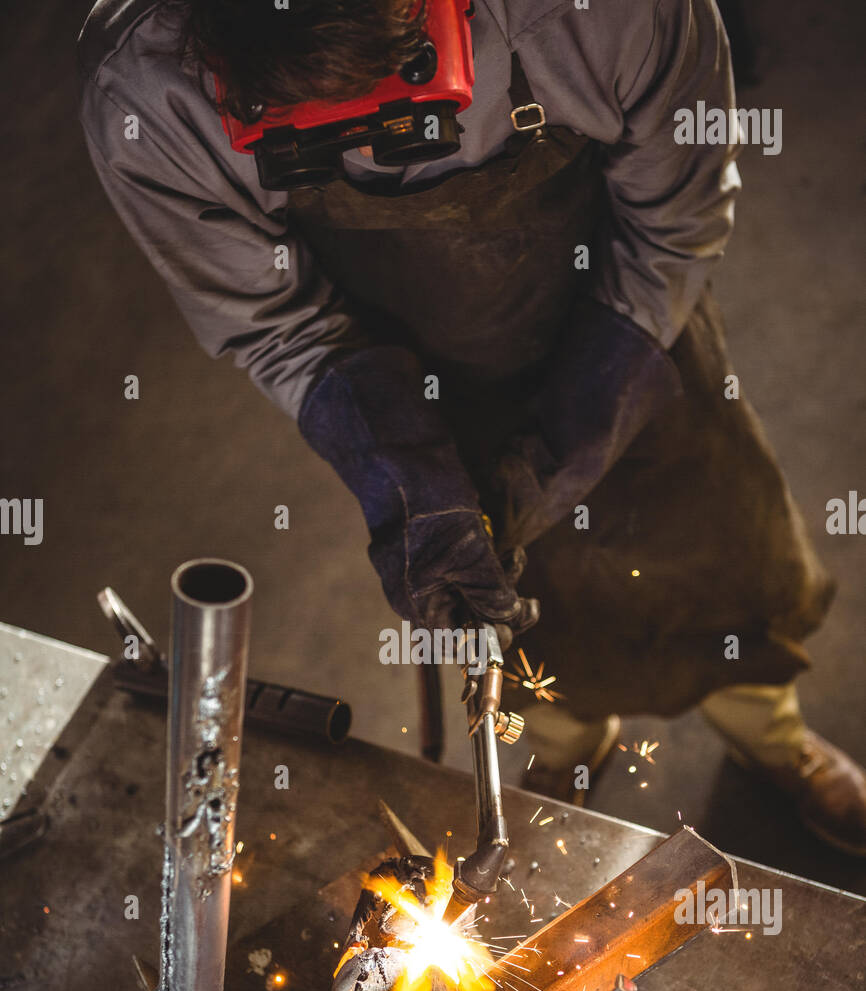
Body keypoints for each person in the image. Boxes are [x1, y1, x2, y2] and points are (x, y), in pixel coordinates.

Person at [78, 0, 866, 855]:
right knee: (538, 640)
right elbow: (277, 326)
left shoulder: (603, 16)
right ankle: (568, 751)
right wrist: (407, 475)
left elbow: (672, 228)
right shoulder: (147, 88)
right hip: (432, 410)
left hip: (639, 354)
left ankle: (773, 741)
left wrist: (569, 437)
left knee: (717, 579)